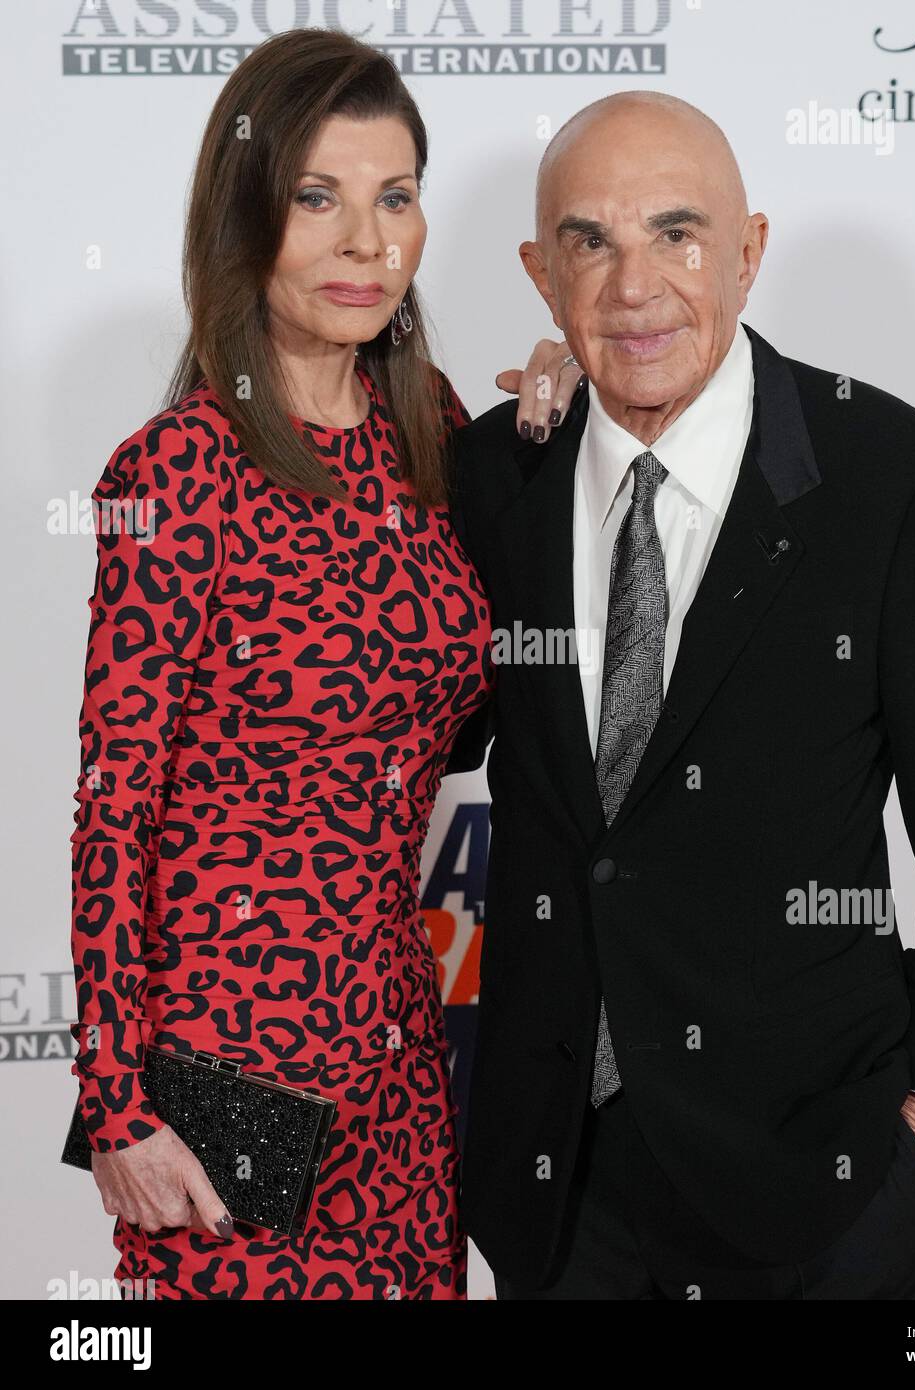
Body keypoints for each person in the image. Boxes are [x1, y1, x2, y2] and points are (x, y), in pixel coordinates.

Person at [448, 91, 915, 1299]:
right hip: (558, 1195)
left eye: (676, 234)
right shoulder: (490, 471)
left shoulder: (891, 478)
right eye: (588, 241)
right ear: (537, 270)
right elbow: (435, 727)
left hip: (819, 1190)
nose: (632, 287)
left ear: (748, 253)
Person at [68, 29, 577, 1301]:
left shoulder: (430, 431)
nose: (368, 240)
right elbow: (113, 803)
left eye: (394, 196)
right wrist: (119, 1104)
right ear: (244, 218)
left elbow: (473, 708)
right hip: (222, 1075)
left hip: (399, 1059)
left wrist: (556, 438)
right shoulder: (181, 469)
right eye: (317, 197)